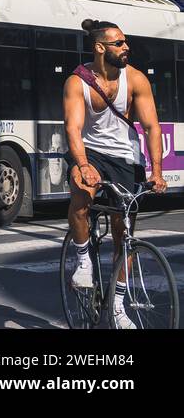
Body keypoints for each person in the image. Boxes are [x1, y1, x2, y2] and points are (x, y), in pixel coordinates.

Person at [63, 19, 166, 330]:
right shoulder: (77, 81)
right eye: (119, 43)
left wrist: (156, 171)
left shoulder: (135, 80)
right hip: (90, 152)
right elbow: (73, 128)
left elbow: (151, 127)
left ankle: (118, 307)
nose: (126, 48)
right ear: (99, 48)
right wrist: (82, 164)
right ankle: (82, 259)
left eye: (125, 42)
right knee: (82, 193)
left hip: (124, 157)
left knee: (124, 234)